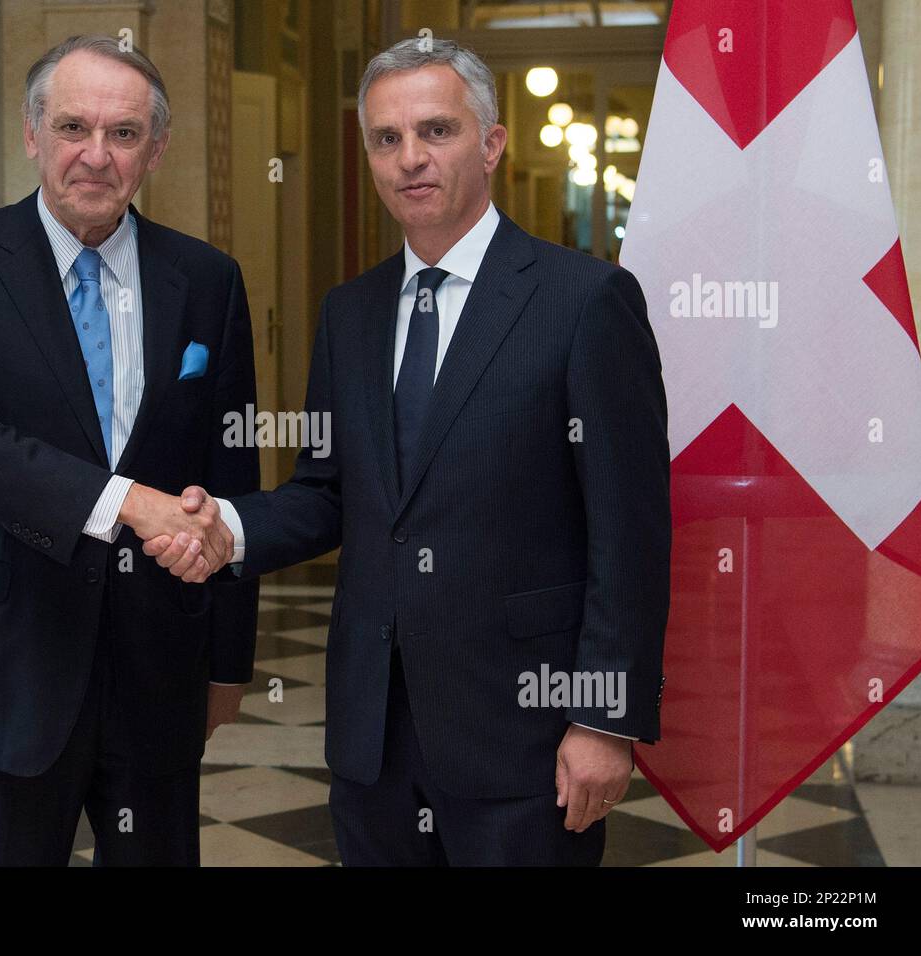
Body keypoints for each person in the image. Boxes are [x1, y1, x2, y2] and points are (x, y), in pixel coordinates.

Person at [144, 38, 671, 866]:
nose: (410, 159)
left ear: (492, 143)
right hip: (373, 736)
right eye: (386, 139)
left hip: (523, 736)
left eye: (436, 131)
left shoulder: (585, 301)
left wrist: (604, 719)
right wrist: (227, 531)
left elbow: (630, 532)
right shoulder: (349, 313)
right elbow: (326, 494)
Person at [0, 34, 258, 866]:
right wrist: (129, 501)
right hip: (5, 664)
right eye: (72, 128)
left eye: (124, 133)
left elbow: (232, 471)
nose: (95, 155)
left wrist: (229, 662)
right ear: (32, 135)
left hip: (160, 670)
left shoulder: (207, 279)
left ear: (155, 149)